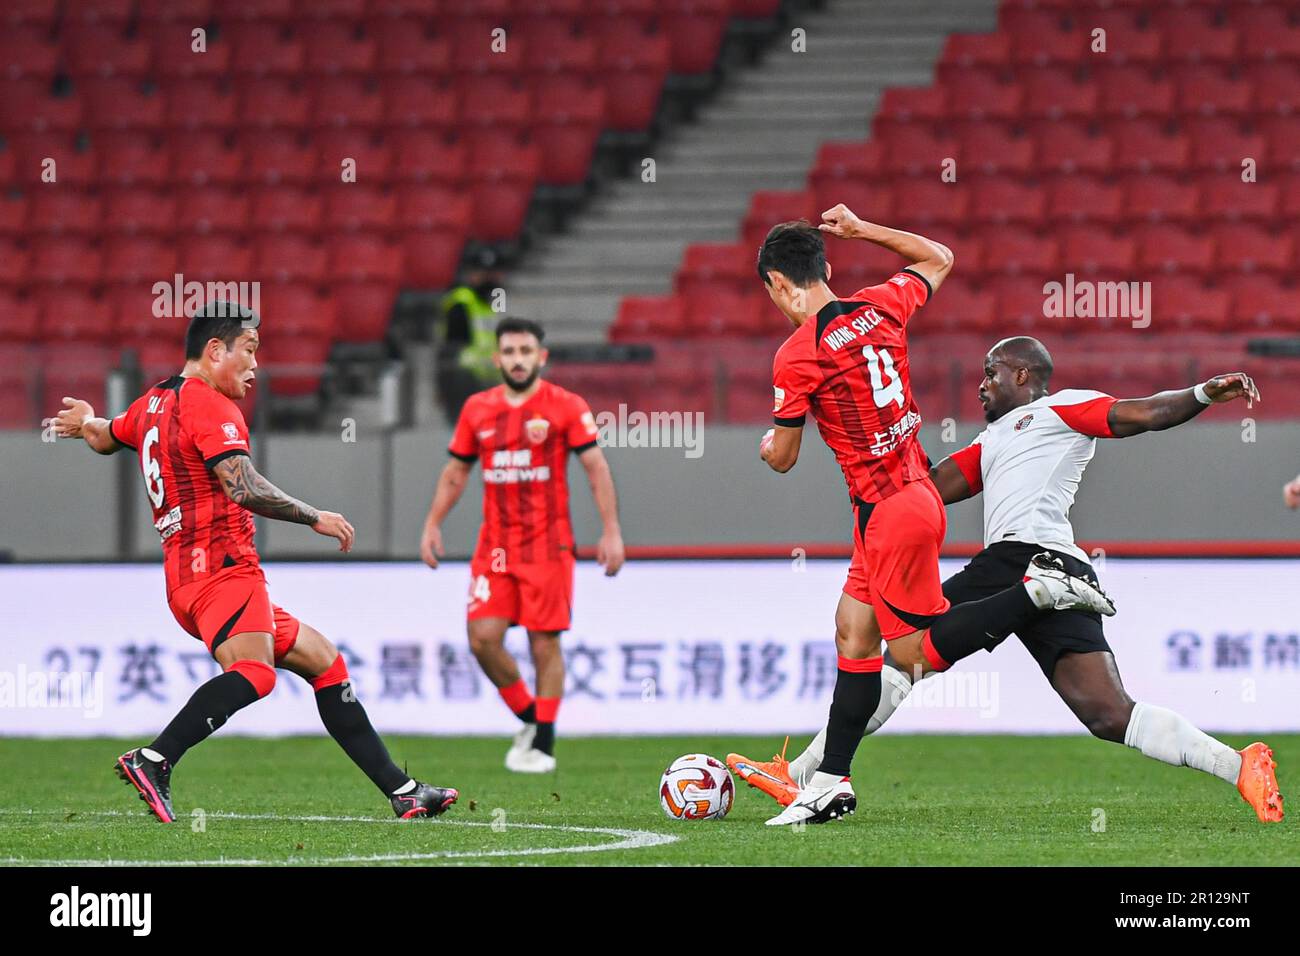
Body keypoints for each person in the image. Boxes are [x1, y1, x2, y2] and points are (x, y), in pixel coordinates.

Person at [731, 336, 1283, 824]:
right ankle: (1239, 766)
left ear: (1023, 374)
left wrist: (1205, 393)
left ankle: (807, 774)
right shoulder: (994, 441)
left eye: (991, 373)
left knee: (904, 653)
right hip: (1057, 567)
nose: (981, 386)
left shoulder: (1061, 408)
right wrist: (876, 448)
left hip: (1021, 558)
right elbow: (931, 485)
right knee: (1108, 714)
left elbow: (1142, 413)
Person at [749, 210, 1114, 827]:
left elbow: (782, 458)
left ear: (779, 285)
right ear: (827, 270)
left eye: (772, 293)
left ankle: (1039, 592)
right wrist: (864, 228)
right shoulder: (880, 305)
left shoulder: (795, 356)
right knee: (854, 632)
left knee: (915, 647)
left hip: (890, 511)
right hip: (907, 496)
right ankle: (831, 780)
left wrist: (767, 443)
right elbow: (939, 256)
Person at [52, 301, 458, 823]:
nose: (254, 364)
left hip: (189, 578)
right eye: (249, 349)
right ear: (214, 349)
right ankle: (155, 757)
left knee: (324, 662)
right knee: (256, 674)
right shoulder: (211, 405)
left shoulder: (150, 404)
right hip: (223, 570)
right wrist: (313, 515)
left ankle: (402, 791)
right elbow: (240, 486)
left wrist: (87, 418)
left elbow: (105, 436)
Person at [420, 317, 625, 773]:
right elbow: (456, 472)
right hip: (494, 546)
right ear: (497, 359)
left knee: (543, 644)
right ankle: (533, 719)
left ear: (541, 357)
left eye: (525, 351)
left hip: (548, 546)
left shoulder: (566, 407)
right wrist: (433, 523)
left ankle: (542, 746)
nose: (517, 360)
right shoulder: (478, 409)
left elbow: (596, 468)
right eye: (509, 352)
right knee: (482, 638)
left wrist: (611, 531)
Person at [436, 247, 505, 421]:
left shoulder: (489, 304)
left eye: (491, 273)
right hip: (462, 383)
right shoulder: (461, 302)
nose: (488, 278)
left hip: (486, 385)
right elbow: (451, 349)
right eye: (482, 273)